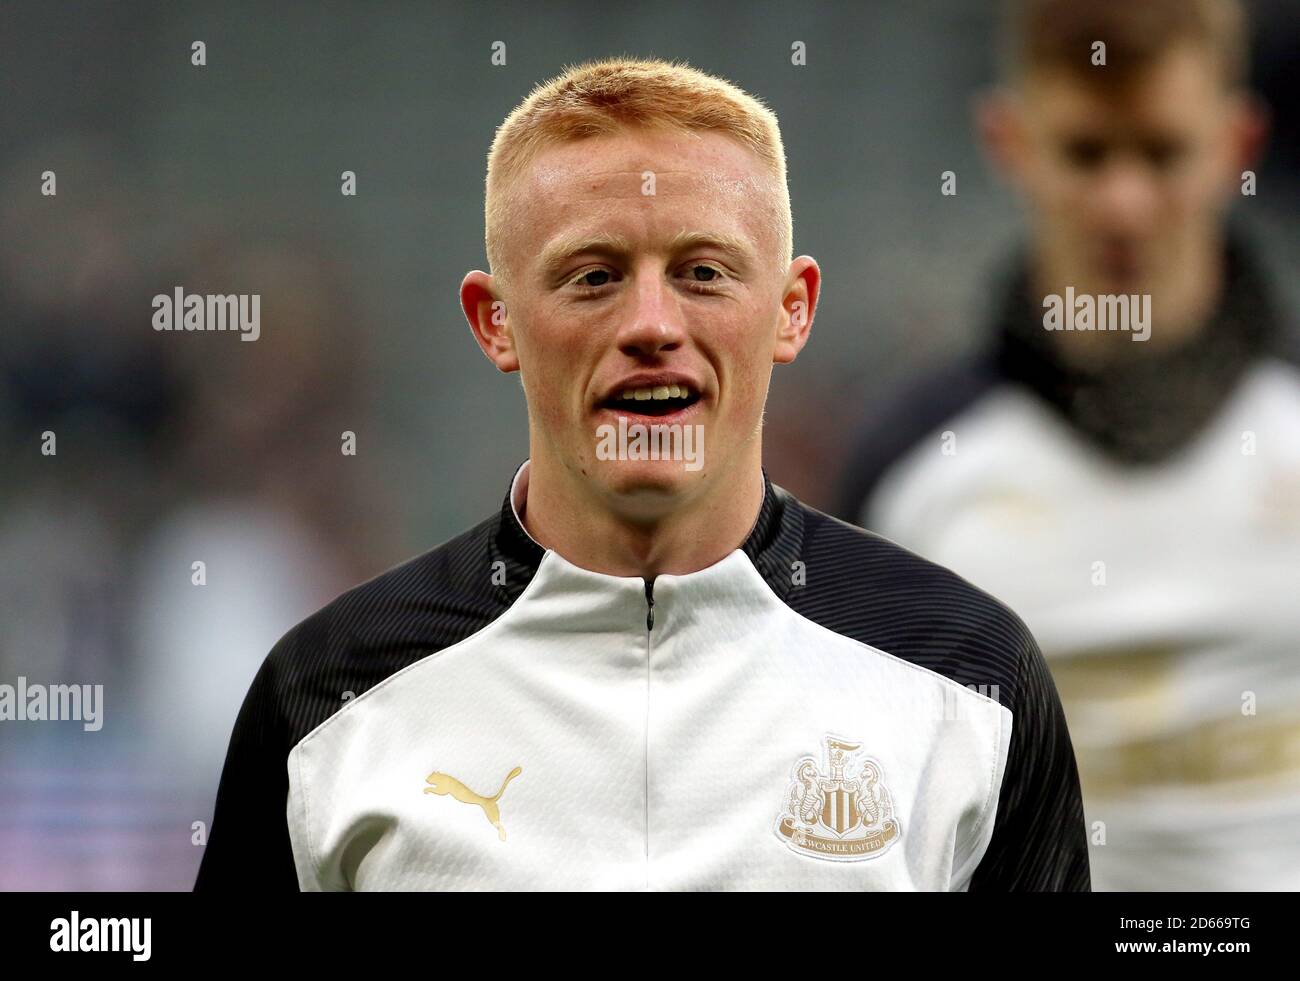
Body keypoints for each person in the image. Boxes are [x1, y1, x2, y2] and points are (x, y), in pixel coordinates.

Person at [195, 57, 1088, 891]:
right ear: (495, 320)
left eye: (703, 272)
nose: (652, 323)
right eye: (594, 276)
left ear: (791, 309)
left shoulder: (972, 680)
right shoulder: (326, 695)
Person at [838, 0, 1300, 890]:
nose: (1124, 202)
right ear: (1008, 141)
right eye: (1086, 154)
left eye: (1162, 153)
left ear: (1237, 145)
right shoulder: (908, 470)